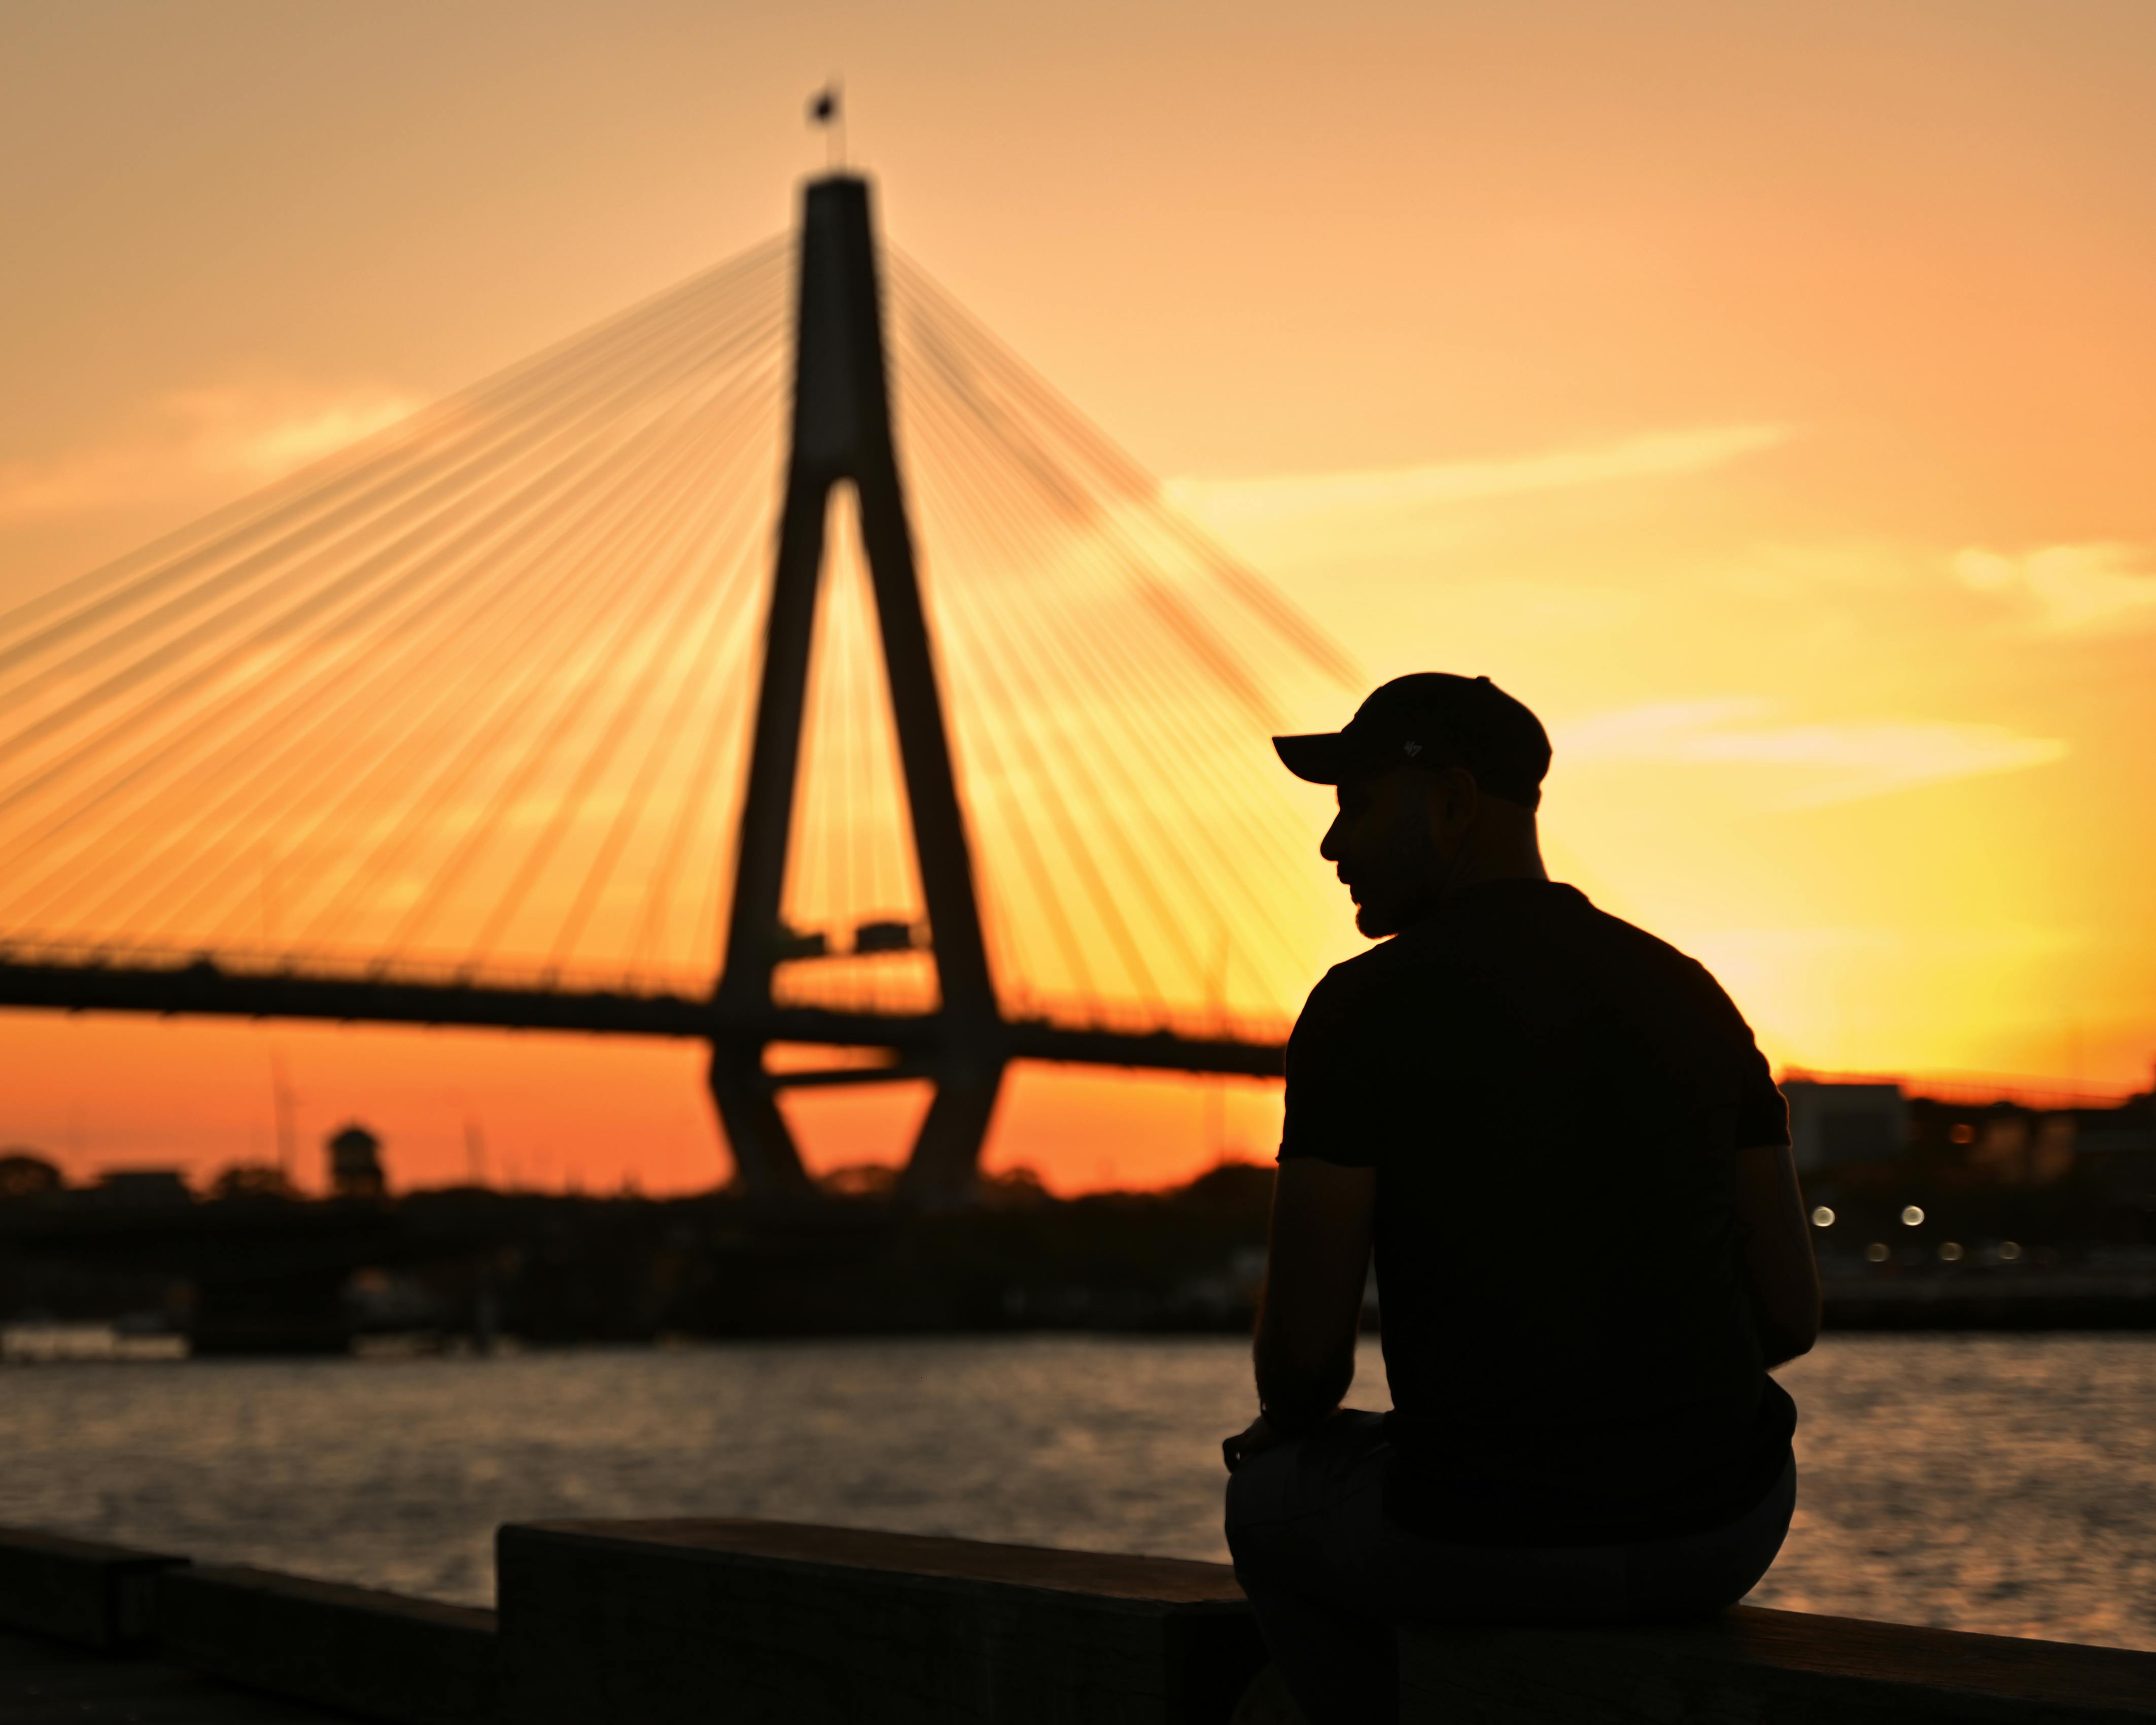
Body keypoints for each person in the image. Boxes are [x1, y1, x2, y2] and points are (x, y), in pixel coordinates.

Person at [1223, 673, 1820, 1724]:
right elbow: (1787, 1314)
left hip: (1482, 1539)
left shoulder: (1361, 1007)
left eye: (1355, 803)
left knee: (1268, 1494)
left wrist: (1294, 1427)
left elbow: (1304, 1365)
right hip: (1725, 1526)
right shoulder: (1690, 988)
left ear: (1451, 802)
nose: (1330, 845)